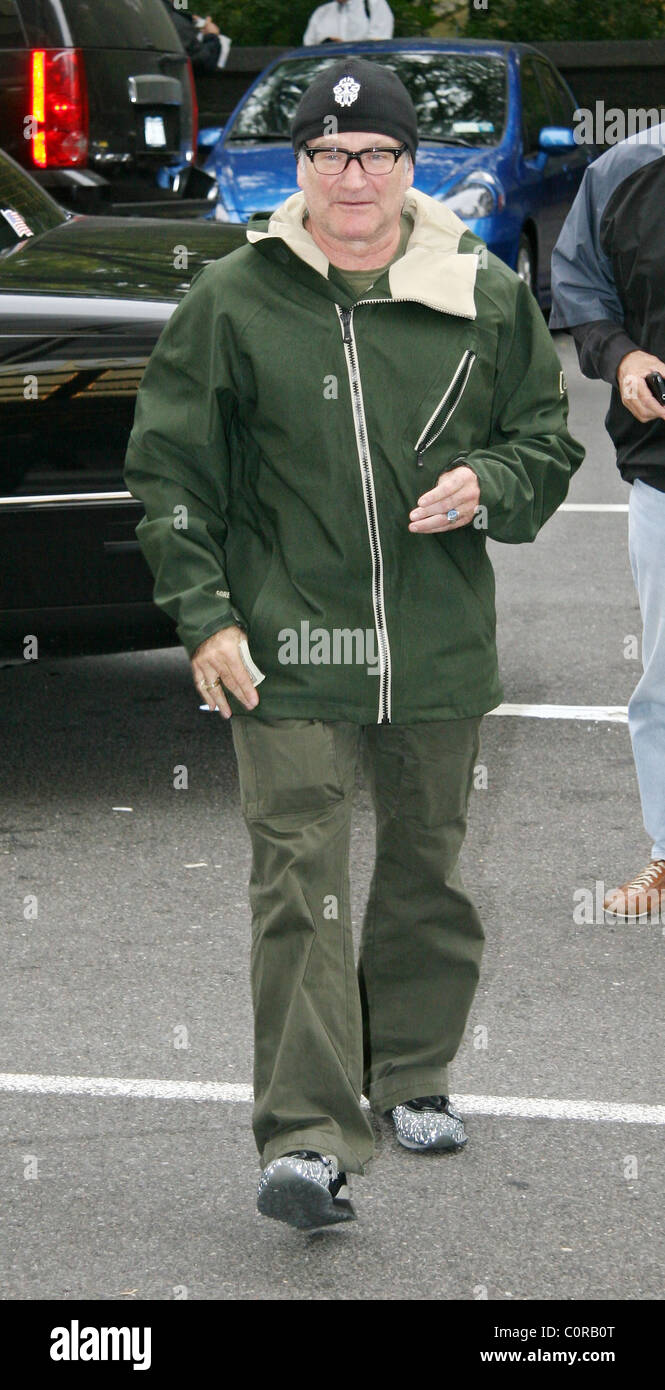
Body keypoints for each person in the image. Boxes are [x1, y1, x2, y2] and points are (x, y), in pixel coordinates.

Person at [125, 58, 583, 1231]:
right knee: (297, 885)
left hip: (432, 647)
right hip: (283, 650)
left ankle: (413, 1070)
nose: (351, 177)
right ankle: (308, 1141)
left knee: (425, 869)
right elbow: (171, 473)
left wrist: (488, 479)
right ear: (299, 171)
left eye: (374, 153)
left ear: (407, 167)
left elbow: (543, 440)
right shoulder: (235, 296)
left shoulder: (480, 293)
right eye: (327, 156)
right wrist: (206, 615)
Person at [550, 125, 665, 925]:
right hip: (663, 467)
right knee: (664, 682)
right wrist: (621, 357)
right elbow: (580, 288)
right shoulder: (623, 171)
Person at [161, 1, 231, 72]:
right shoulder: (173, 22)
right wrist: (212, 36)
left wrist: (188, 20)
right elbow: (202, 60)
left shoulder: (157, 13)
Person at [303, 0, 394, 45]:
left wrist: (344, 48)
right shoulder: (322, 12)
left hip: (365, 75)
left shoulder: (374, 4)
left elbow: (380, 45)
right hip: (329, 75)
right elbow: (309, 47)